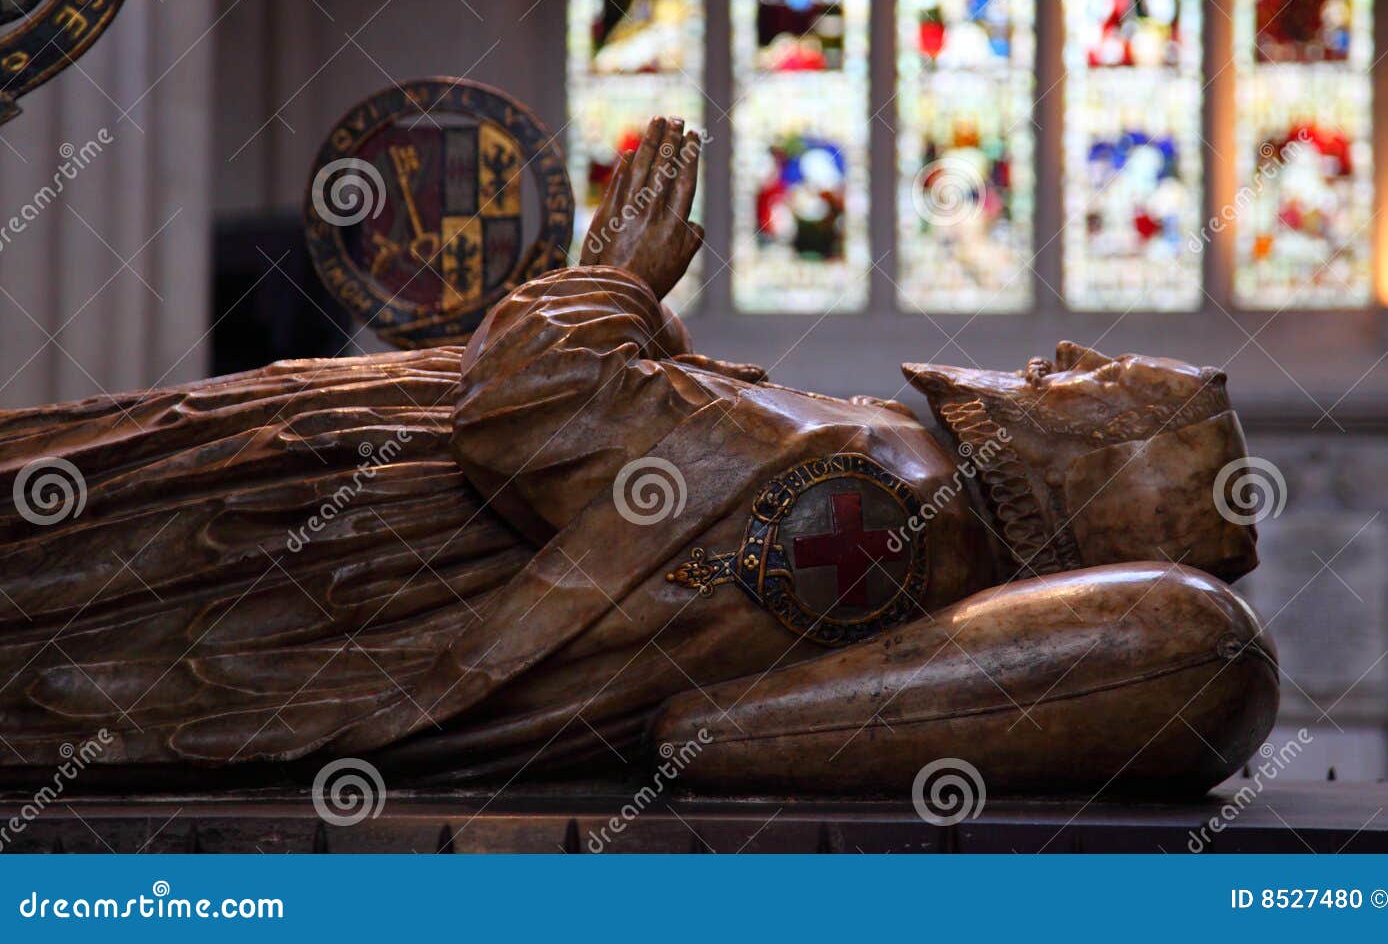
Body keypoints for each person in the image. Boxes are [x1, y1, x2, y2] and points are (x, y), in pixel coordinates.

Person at [0, 118, 1275, 794]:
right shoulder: (900, 507)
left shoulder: (875, 494)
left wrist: (616, 278)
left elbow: (534, 412)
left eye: (1102, 380)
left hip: (312, 548)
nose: (1060, 351)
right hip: (325, 531)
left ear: (1095, 468)